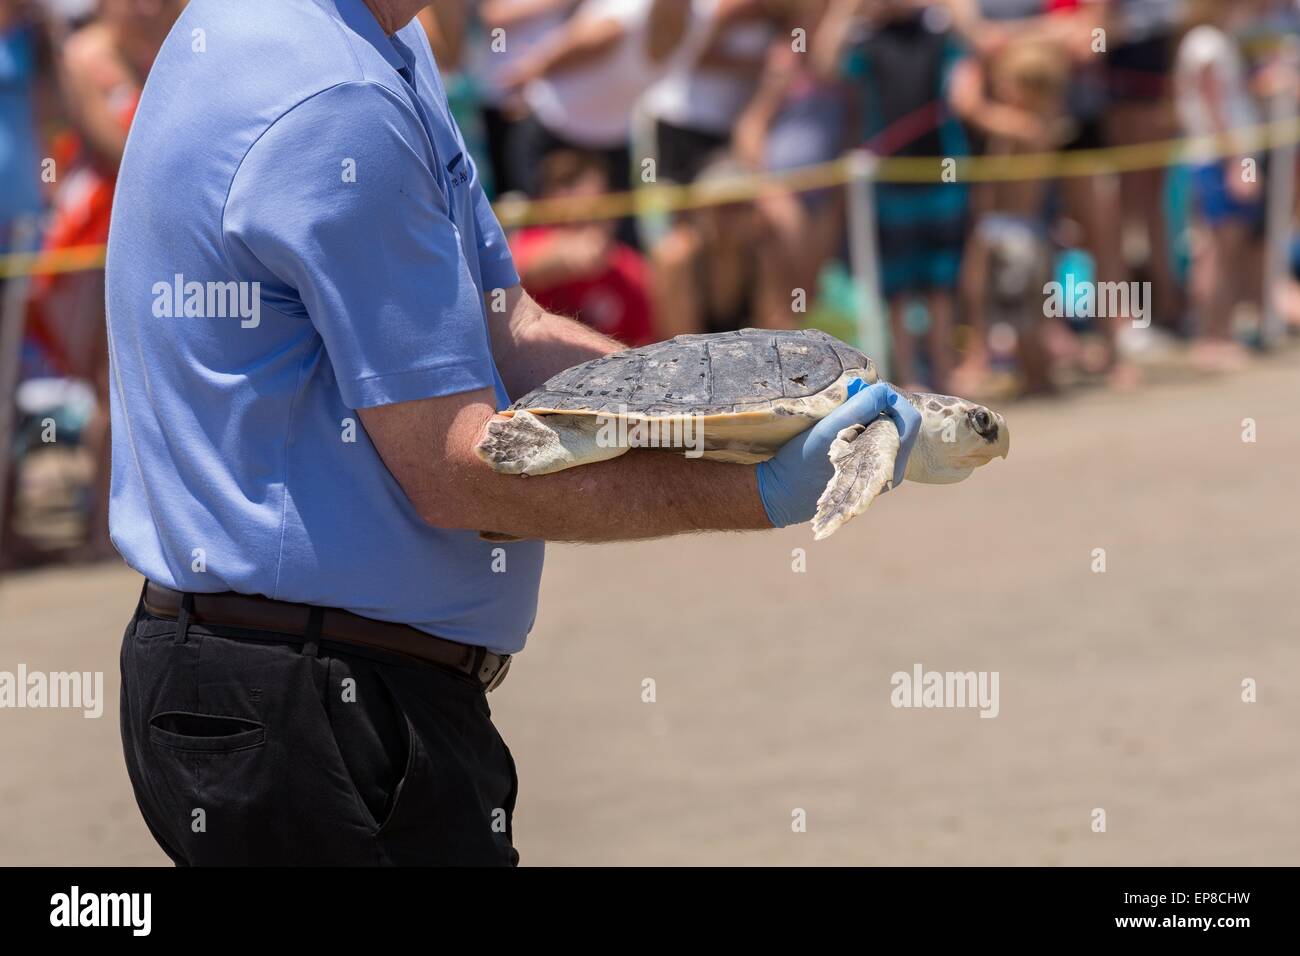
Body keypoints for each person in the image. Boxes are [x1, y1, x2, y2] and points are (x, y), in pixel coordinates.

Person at [107, 0, 920, 866]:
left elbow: (505, 325)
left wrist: (733, 413)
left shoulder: (371, 38)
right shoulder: (337, 94)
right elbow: (462, 470)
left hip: (302, 683)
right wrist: (755, 489)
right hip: (307, 702)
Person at [1174, 0, 1264, 371]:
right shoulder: (1207, 42)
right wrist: (1235, 163)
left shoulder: (1216, 40)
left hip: (1224, 155)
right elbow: (1214, 107)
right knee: (1216, 252)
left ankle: (1221, 332)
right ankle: (1211, 337)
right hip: (1219, 157)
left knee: (1226, 249)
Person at [509, 150, 657, 346]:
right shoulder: (526, 242)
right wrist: (558, 258)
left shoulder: (632, 269)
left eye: (592, 214)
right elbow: (514, 275)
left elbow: (645, 345)